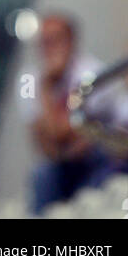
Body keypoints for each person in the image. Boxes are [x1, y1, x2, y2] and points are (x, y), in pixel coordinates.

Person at [23, 12, 112, 212]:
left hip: (96, 160)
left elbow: (70, 135)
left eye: (56, 39)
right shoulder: (27, 81)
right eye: (44, 42)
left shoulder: (94, 73)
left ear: (71, 41)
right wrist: (46, 86)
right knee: (41, 174)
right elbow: (42, 140)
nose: (49, 48)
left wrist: (45, 89)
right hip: (58, 162)